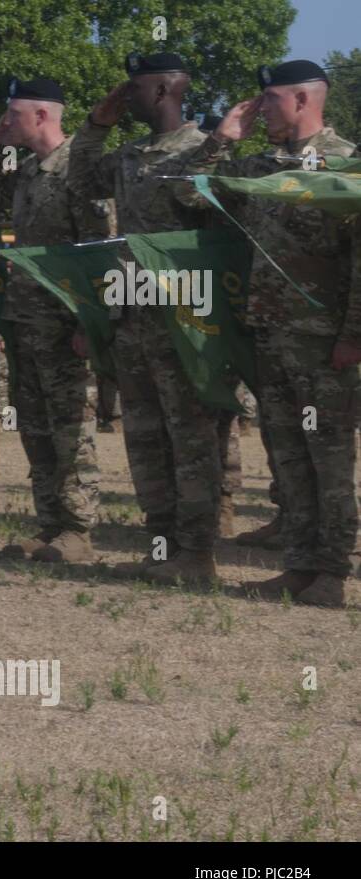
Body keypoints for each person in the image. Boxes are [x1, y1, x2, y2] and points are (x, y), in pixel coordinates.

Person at [178, 60, 359, 606]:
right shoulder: (257, 167)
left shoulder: (347, 165)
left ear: (303, 100)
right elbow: (186, 196)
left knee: (330, 459)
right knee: (286, 455)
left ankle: (333, 572)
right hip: (269, 335)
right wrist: (221, 138)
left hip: (326, 342)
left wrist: (354, 334)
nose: (260, 111)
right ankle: (298, 565)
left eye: (269, 102)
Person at [70, 52, 226, 582]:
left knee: (190, 435)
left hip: (184, 307)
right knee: (143, 434)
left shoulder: (204, 151)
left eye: (134, 88)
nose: (126, 95)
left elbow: (200, 200)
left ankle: (197, 553)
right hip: (131, 303)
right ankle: (161, 546)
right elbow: (79, 179)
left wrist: (219, 145)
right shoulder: (128, 154)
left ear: (163, 90)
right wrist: (97, 124)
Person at [0, 77, 103, 562]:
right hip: (26, 319)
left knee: (71, 426)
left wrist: (87, 322)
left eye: (12, 114)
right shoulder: (28, 171)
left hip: (64, 323)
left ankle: (79, 530)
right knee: (35, 426)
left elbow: (98, 250)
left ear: (43, 116)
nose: (5, 122)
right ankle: (51, 523)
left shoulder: (78, 168)